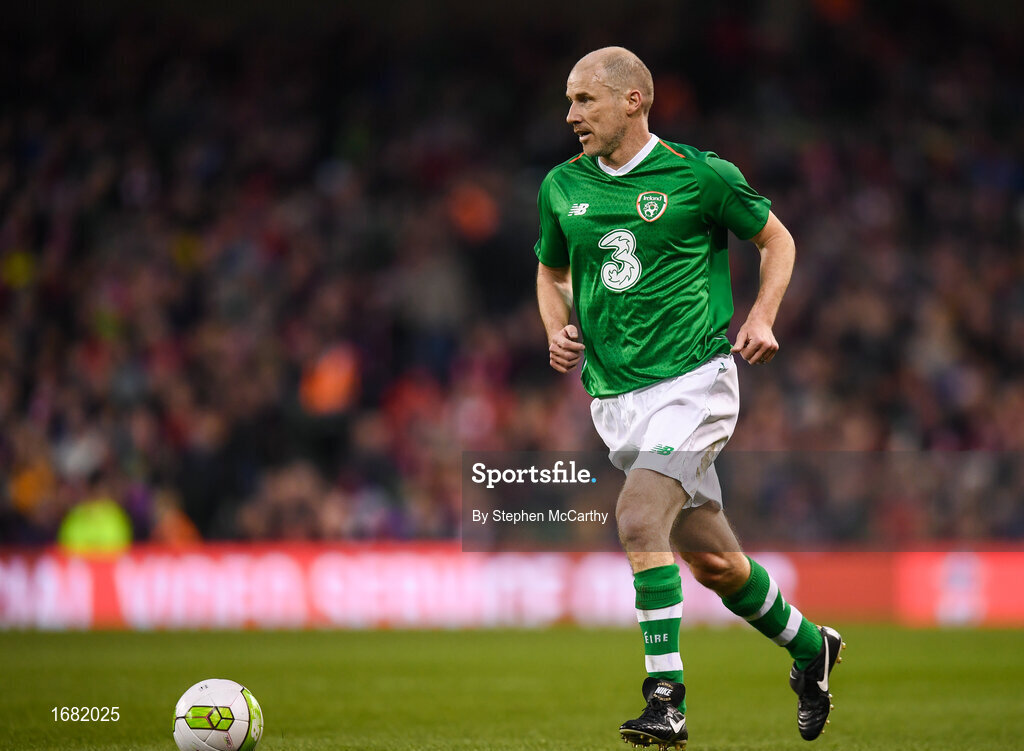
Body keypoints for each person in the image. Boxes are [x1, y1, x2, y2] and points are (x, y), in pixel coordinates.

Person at [534, 47, 844, 749]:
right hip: (616, 400)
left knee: (639, 517)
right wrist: (557, 326)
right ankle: (809, 647)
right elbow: (550, 271)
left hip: (695, 386)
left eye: (584, 100)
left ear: (633, 100)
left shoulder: (699, 175)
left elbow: (778, 240)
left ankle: (665, 698)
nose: (570, 115)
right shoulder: (561, 187)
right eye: (570, 100)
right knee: (717, 564)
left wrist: (762, 315)